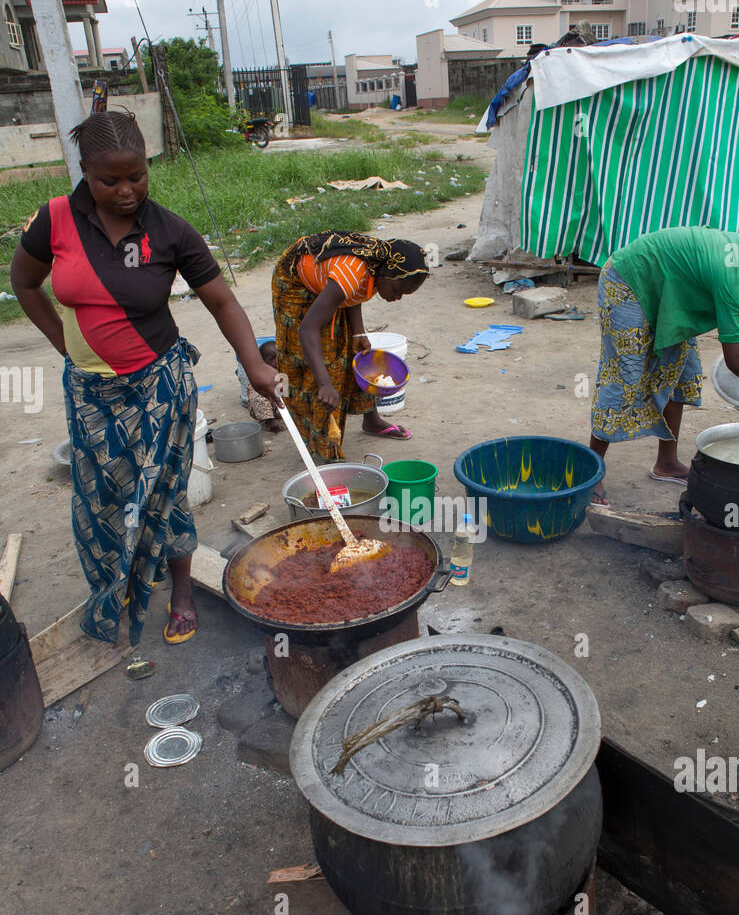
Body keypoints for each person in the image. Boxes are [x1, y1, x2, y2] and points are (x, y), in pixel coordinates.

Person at [10, 110, 281, 646]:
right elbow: (25, 283)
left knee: (163, 491)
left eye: (137, 175)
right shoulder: (55, 220)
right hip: (90, 391)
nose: (127, 190)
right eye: (110, 180)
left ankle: (179, 593)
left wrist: (254, 366)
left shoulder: (169, 230)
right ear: (85, 170)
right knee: (100, 499)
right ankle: (118, 587)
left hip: (160, 384)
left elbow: (222, 299)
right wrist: (64, 346)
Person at [588, 205, 739, 504]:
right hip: (630, 281)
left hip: (668, 290)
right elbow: (736, 361)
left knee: (681, 373)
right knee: (624, 379)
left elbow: (708, 284)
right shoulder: (737, 275)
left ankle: (666, 463)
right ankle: (590, 473)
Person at [271, 230, 428, 460]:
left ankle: (371, 420)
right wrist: (325, 383)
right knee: (314, 366)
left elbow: (353, 294)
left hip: (330, 281)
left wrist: (358, 332)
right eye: (397, 291)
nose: (397, 298)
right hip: (295, 280)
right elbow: (308, 328)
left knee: (351, 351)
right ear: (385, 274)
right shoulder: (353, 272)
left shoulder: (377, 264)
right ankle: (326, 451)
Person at [245, 340, 286, 433]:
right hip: (263, 405)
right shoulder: (260, 378)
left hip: (277, 404)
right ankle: (269, 421)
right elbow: (257, 399)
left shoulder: (282, 371)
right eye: (271, 359)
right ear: (262, 362)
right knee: (259, 396)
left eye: (278, 357)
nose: (276, 362)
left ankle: (281, 412)